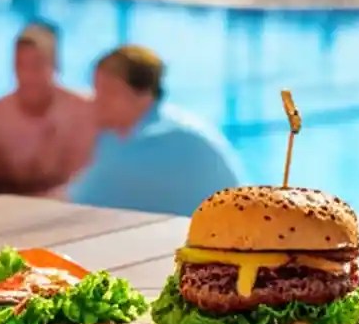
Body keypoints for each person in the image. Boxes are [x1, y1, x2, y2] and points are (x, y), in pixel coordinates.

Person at [68, 45, 244, 216]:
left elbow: (77, 201)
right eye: (97, 90)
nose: (97, 101)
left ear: (144, 95)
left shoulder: (166, 141)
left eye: (110, 92)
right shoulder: (115, 136)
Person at [0, 23, 95, 198]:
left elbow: (83, 180)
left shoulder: (83, 110)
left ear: (56, 65)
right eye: (20, 65)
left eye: (37, 65)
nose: (27, 75)